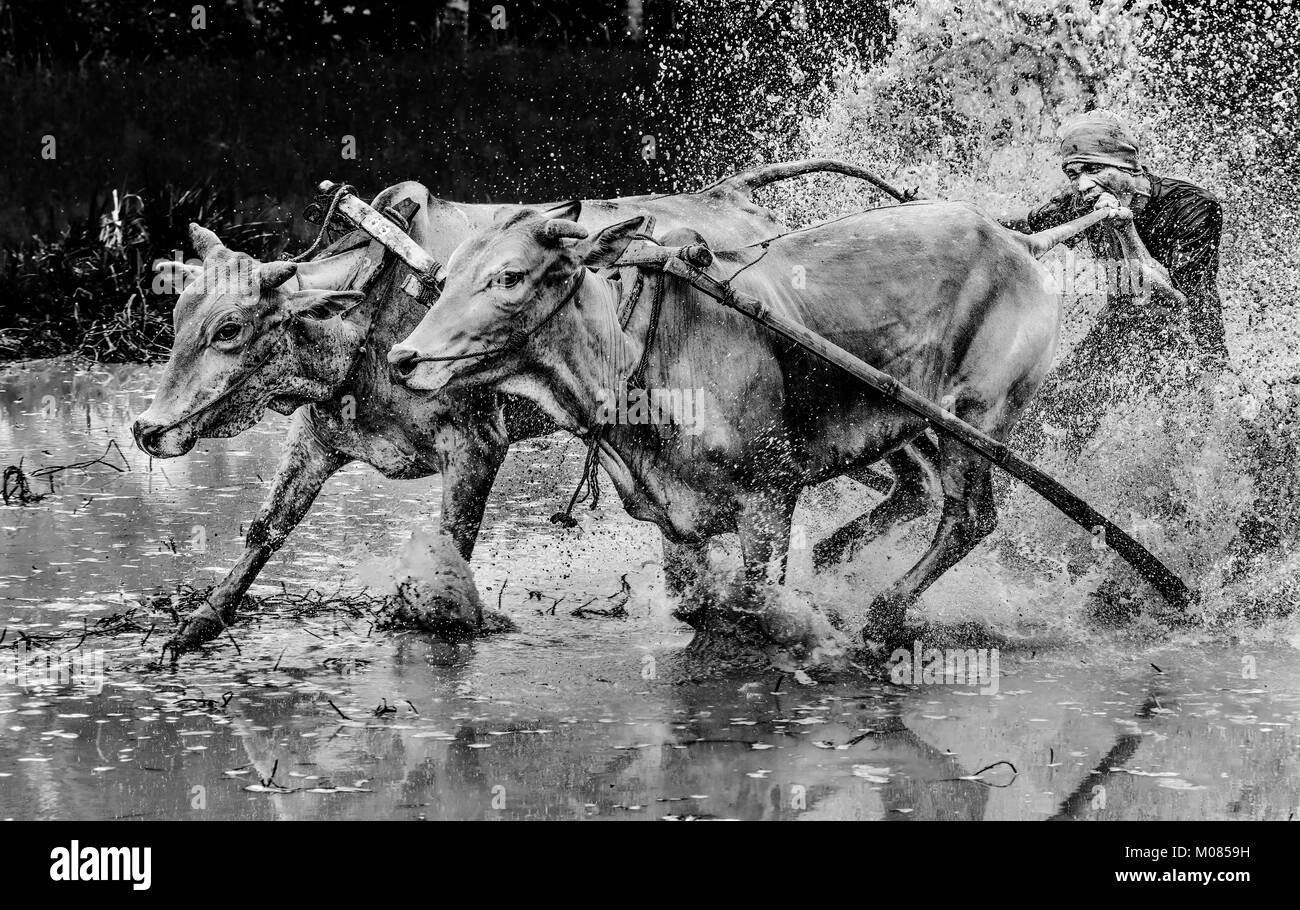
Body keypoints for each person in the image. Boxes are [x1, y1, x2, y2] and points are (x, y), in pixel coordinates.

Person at [1001, 110, 1227, 454]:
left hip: (1189, 345)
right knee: (1037, 417)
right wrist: (947, 219)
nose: (1082, 184)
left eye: (1092, 169)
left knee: (1183, 449)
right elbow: (1016, 231)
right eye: (1072, 174)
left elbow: (1174, 301)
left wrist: (1125, 229)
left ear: (1129, 167)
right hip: (1118, 332)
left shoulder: (1194, 206)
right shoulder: (1080, 203)